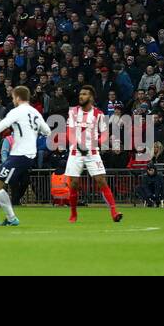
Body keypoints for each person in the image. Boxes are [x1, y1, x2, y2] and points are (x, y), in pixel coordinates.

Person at [0, 85, 50, 226]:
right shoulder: (35, 112)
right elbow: (47, 131)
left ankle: (11, 218)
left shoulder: (16, 112)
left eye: (13, 97)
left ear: (18, 98)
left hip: (20, 155)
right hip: (25, 155)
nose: (12, 100)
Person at [64, 85, 122, 223]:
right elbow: (69, 132)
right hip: (75, 151)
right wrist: (76, 143)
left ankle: (114, 212)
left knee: (101, 180)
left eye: (84, 94)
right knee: (73, 183)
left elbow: (105, 134)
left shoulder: (99, 114)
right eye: (80, 94)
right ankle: (73, 213)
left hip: (92, 152)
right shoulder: (73, 112)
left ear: (91, 97)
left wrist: (95, 143)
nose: (81, 96)